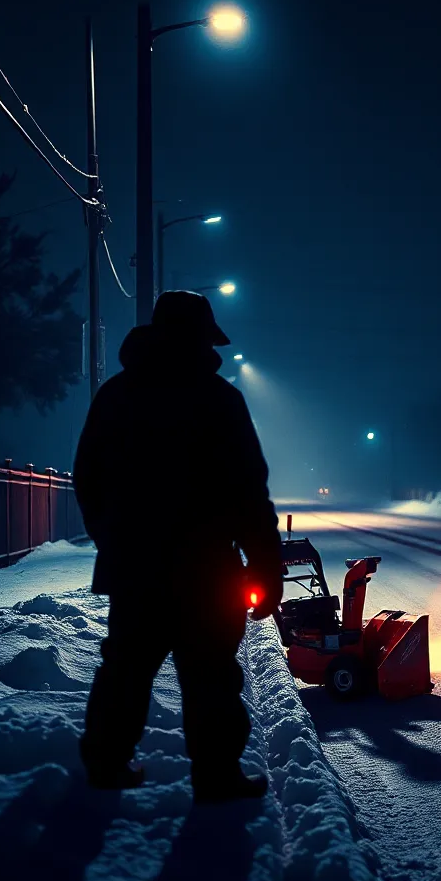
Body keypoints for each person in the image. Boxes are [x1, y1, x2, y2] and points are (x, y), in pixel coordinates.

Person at [73, 291, 283, 802]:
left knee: (125, 668)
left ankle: (105, 767)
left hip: (135, 568)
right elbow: (248, 491)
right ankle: (216, 776)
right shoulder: (219, 401)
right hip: (207, 570)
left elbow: (88, 478)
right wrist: (265, 566)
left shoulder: (117, 396)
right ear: (201, 339)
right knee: (210, 673)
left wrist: (115, 539)